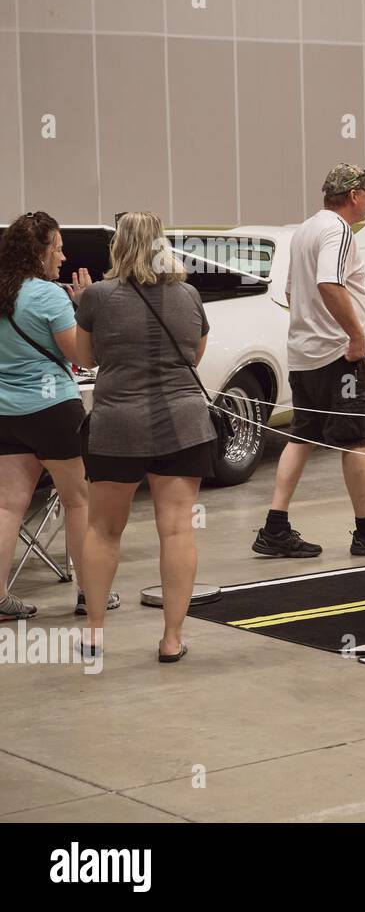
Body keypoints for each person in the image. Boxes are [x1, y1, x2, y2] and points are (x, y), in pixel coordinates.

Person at [254, 164, 365, 559]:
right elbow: (329, 282)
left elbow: (295, 292)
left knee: (302, 434)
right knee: (354, 439)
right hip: (338, 355)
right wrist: (356, 335)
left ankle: (274, 526)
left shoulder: (305, 229)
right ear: (353, 196)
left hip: (305, 354)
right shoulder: (338, 231)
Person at [72, 212, 215, 660]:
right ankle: (172, 639)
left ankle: (94, 633)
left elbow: (86, 359)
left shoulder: (96, 295)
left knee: (103, 529)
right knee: (176, 531)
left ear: (118, 246)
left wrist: (83, 307)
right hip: (184, 424)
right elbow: (194, 355)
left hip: (118, 425)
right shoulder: (189, 294)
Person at [0, 212, 120, 622]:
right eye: (58, 247)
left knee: (7, 507)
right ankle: (89, 592)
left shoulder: (2, 292)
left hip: (5, 412)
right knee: (76, 501)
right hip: (52, 410)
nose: (63, 255)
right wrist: (85, 306)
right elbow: (83, 357)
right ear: (40, 252)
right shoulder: (49, 295)